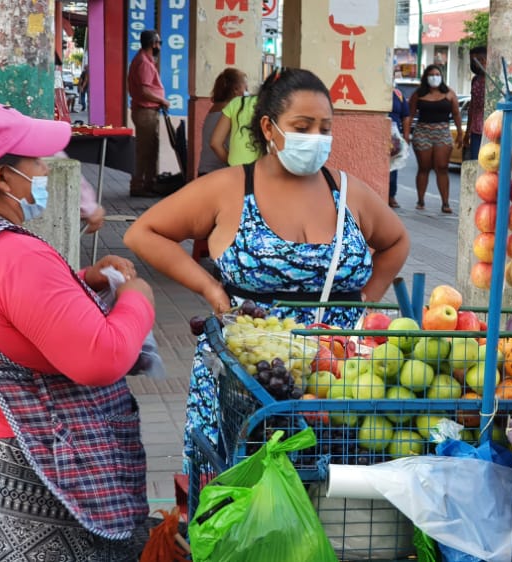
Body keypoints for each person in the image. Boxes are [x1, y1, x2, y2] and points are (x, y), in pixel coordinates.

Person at [123, 68, 410, 472]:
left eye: (324, 127)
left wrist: (366, 298)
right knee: (243, 500)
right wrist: (210, 289)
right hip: (249, 381)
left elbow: (397, 241)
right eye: (302, 126)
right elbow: (144, 233)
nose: (315, 137)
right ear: (269, 127)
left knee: (331, 502)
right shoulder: (229, 188)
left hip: (337, 380)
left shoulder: (347, 191)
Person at [0, 100, 155, 560]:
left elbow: (5, 317)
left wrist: (81, 282)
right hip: (30, 465)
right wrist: (137, 300)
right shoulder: (14, 256)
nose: (46, 170)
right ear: (4, 178)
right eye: (35, 161)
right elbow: (101, 357)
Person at [405, 65, 462, 213]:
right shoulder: (418, 94)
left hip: (442, 131)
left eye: (437, 74)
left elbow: (456, 114)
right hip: (422, 131)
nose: (435, 77)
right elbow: (410, 115)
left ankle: (445, 203)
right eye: (431, 74)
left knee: (442, 167)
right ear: (426, 77)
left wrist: (461, 134)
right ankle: (421, 200)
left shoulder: (449, 93)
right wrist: (406, 135)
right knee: (424, 167)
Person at [127, 29, 170, 197]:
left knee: (150, 149)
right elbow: (145, 90)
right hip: (145, 111)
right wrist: (162, 100)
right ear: (153, 44)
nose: (159, 46)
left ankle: (148, 183)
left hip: (147, 111)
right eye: (159, 43)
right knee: (145, 151)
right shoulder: (144, 63)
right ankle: (140, 185)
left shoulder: (144, 60)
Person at [199, 68, 247, 177]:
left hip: (206, 173)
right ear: (236, 89)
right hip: (217, 175)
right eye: (246, 88)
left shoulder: (215, 108)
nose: (246, 94)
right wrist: (233, 165)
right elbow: (215, 144)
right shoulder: (230, 111)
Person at [209, 90, 260, 167]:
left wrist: (231, 162)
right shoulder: (276, 106)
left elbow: (215, 143)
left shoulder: (236, 103)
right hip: (263, 172)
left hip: (235, 171)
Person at [388, 86, 410, 208]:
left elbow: (406, 116)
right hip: (378, 132)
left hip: (394, 135)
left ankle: (391, 195)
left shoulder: (397, 94)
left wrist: (406, 136)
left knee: (393, 165)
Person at [467, 46, 487, 160]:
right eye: (473, 61)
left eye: (480, 59)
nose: (477, 64)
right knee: (475, 162)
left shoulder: (496, 79)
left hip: (493, 130)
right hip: (476, 131)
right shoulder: (476, 80)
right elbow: (472, 107)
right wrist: (467, 132)